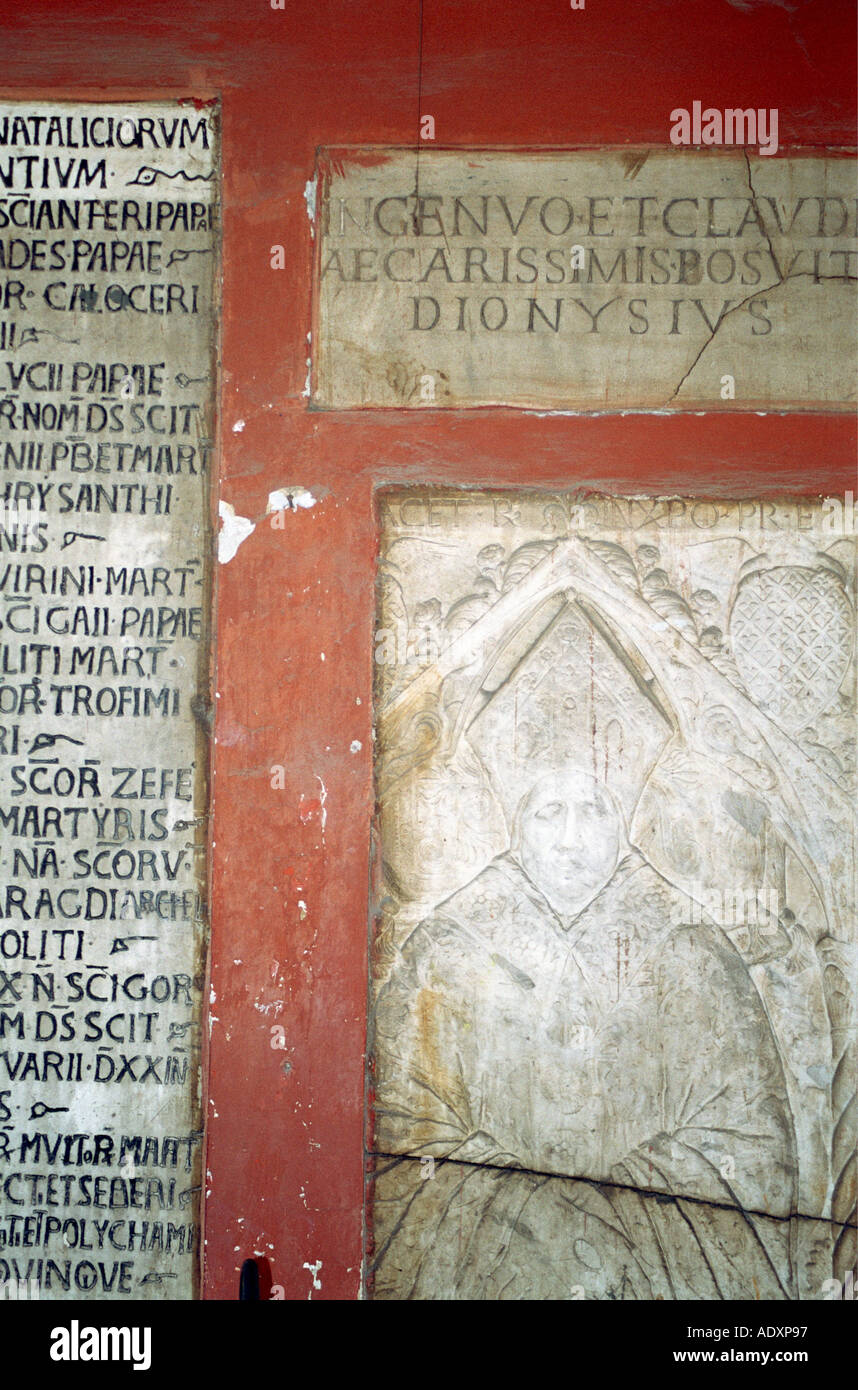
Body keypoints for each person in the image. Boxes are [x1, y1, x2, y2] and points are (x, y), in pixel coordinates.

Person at [371, 767, 799, 1299]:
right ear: (515, 825)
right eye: (549, 813)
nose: (570, 839)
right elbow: (404, 1128)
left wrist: (614, 1204)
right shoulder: (446, 949)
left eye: (594, 811)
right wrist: (524, 1209)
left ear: (624, 824)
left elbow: (747, 1136)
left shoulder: (691, 947)